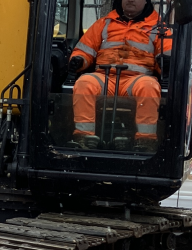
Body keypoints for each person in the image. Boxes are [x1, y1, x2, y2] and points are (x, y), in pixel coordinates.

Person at [68, 0, 172, 153]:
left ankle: (145, 141)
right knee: (84, 83)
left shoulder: (160, 29)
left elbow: (166, 57)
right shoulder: (103, 24)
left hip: (137, 79)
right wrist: (79, 60)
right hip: (104, 77)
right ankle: (83, 138)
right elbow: (84, 50)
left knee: (149, 87)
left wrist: (165, 64)